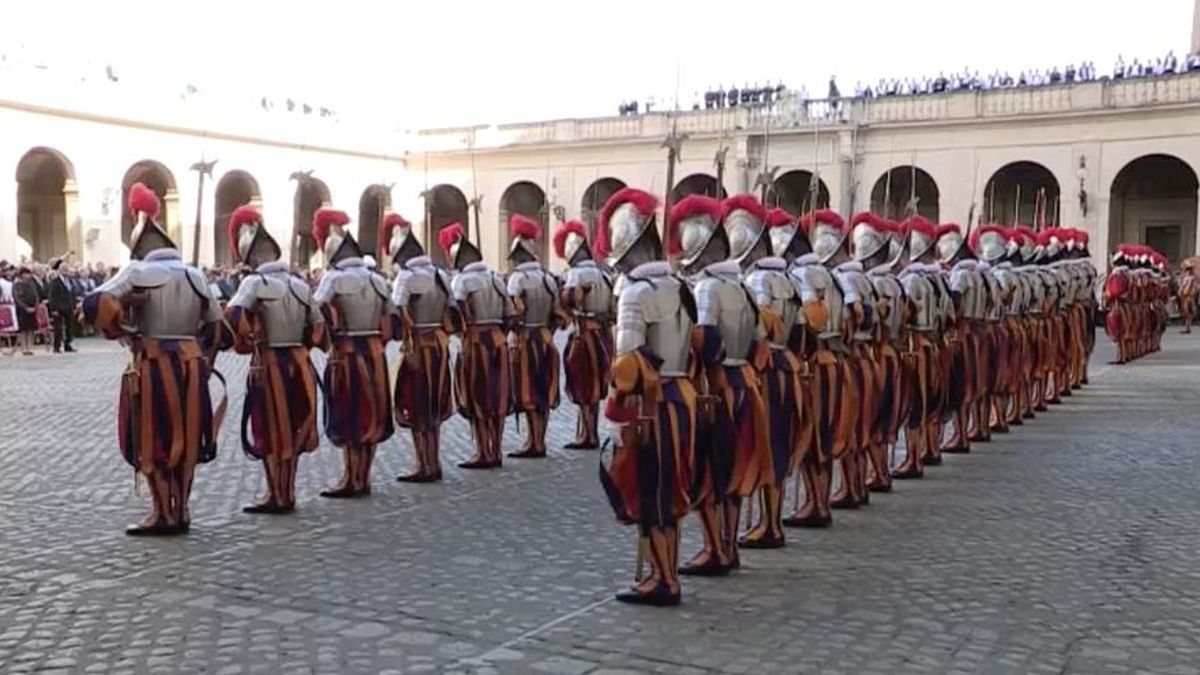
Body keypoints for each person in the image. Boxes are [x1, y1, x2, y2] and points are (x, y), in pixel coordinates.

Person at [83, 183, 227, 535]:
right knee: (188, 438)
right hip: (191, 365)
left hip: (153, 364)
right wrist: (205, 359)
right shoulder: (195, 274)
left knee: (153, 438)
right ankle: (183, 510)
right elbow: (218, 329)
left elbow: (94, 304)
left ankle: (162, 513)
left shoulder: (136, 272)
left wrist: (124, 319)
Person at [597, 187, 695, 606]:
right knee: (671, 492)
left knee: (650, 491)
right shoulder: (682, 285)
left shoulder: (635, 294)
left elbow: (627, 367)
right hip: (683, 397)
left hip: (651, 406)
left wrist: (615, 416)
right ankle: (666, 571)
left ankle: (663, 579)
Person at [224, 205, 325, 514]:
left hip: (269, 363)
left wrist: (247, 337)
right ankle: (287, 491)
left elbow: (232, 315)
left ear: (253, 257)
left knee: (268, 427)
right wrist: (305, 346)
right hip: (299, 363)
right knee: (293, 424)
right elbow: (319, 326)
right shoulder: (300, 285)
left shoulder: (254, 283)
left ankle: (275, 493)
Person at [311, 207, 395, 498]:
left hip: (346, 355)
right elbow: (389, 324)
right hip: (375, 354)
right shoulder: (378, 280)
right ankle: (364, 476)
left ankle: (350, 477)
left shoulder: (333, 278)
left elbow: (317, 313)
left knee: (349, 415)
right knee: (372, 415)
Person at [739, 202, 804, 548]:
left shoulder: (756, 281)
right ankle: (773, 520)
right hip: (787, 367)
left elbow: (757, 332)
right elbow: (802, 335)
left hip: (765, 372)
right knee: (778, 442)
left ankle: (771, 524)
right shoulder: (790, 281)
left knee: (767, 445)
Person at [384, 212, 455, 482]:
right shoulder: (440, 274)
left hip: (418, 346)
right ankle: (434, 461)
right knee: (433, 406)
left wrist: (408, 337)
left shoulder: (406, 276)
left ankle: (424, 464)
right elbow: (452, 310)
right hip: (439, 345)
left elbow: (398, 311)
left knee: (416, 405)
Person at [443, 222, 514, 469]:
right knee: (498, 397)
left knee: (478, 397)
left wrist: (462, 333)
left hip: (475, 343)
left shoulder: (461, 281)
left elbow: (457, 315)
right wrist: (500, 333)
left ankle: (484, 451)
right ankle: (497, 450)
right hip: (499, 342)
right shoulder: (496, 279)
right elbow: (510, 315)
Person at [506, 214, 563, 458]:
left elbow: (515, 311)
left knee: (529, 391)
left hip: (527, 340)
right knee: (543, 390)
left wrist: (512, 328)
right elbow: (558, 314)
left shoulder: (517, 279)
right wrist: (549, 332)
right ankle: (540, 440)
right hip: (546, 339)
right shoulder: (548, 278)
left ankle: (534, 441)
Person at [555, 219, 613, 450]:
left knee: (583, 383)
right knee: (596, 386)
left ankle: (588, 434)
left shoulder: (576, 274)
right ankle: (589, 431)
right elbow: (614, 310)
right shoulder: (604, 275)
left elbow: (569, 302)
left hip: (584, 335)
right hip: (604, 334)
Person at [47, 258, 77, 353]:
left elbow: (73, 294)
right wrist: (54, 309)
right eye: (63, 269)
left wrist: (74, 306)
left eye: (66, 269)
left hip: (69, 307)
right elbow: (52, 297)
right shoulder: (55, 281)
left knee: (69, 327)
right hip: (58, 308)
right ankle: (57, 346)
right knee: (58, 328)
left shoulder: (70, 281)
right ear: (59, 270)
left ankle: (68, 344)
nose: (65, 271)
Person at [11, 265, 39, 356]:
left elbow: (36, 296)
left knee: (31, 329)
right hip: (22, 310)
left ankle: (29, 347)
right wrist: (25, 307)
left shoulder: (32, 284)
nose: (28, 276)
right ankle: (24, 348)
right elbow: (17, 298)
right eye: (26, 274)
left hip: (32, 308)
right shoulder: (17, 285)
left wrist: (35, 306)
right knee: (23, 329)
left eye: (29, 274)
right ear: (22, 275)